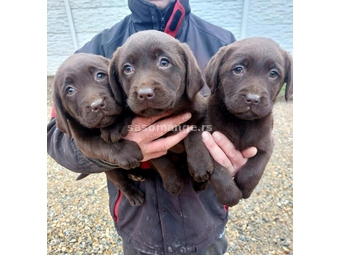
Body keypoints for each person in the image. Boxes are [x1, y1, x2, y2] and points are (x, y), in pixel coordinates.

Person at [47, 0, 257, 254]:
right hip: (137, 223)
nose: (144, 89)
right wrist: (112, 151)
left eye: (164, 62)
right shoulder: (98, 49)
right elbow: (54, 137)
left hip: (205, 220)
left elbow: (250, 116)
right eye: (128, 68)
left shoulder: (222, 44)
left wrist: (238, 154)